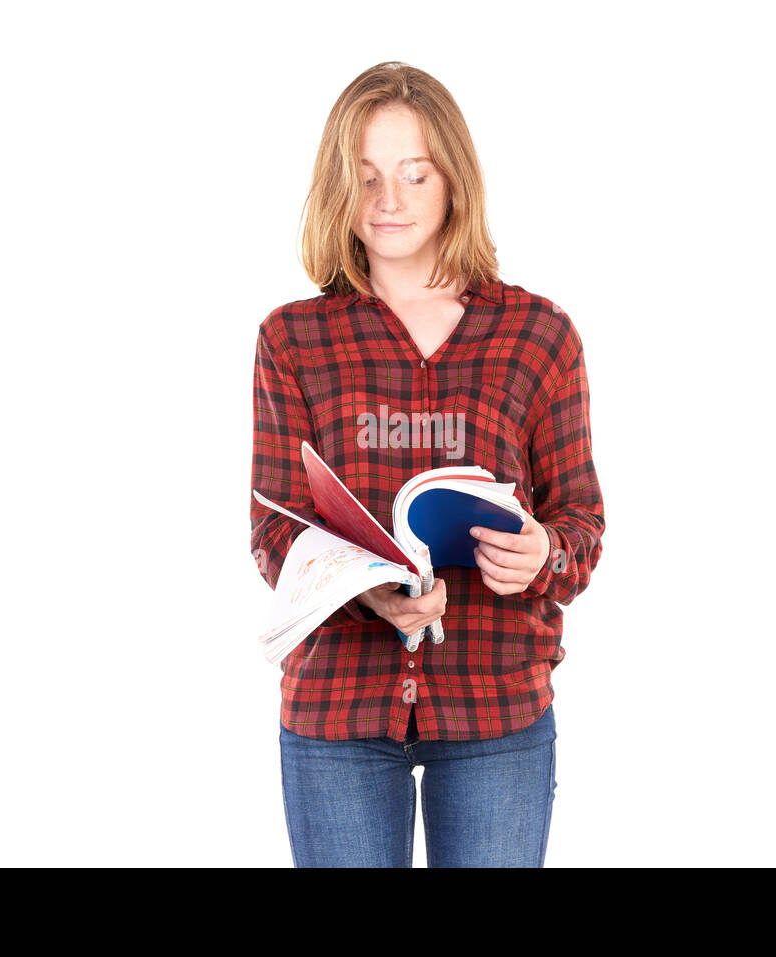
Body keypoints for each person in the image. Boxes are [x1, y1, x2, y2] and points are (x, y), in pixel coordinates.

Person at [249, 61, 605, 867]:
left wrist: (544, 552)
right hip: (339, 709)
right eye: (366, 176)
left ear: (454, 180)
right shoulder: (291, 340)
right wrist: (360, 589)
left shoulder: (540, 336)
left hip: (496, 709)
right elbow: (275, 529)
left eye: (415, 173)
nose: (390, 201)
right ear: (339, 187)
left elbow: (582, 520)